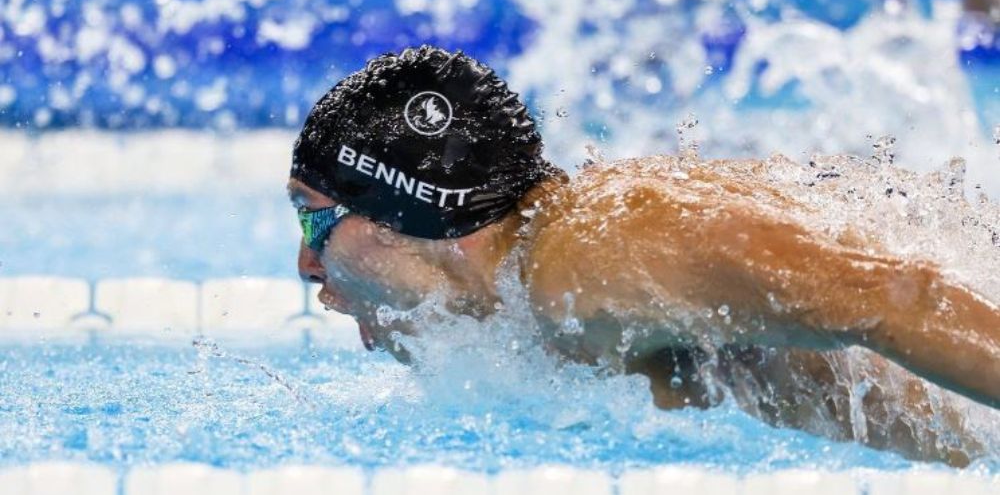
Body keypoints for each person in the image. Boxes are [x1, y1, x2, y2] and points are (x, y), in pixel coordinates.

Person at [288, 46, 999, 466]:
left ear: (404, 211)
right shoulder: (535, 288)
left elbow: (893, 296)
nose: (306, 263)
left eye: (313, 216)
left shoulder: (592, 258)